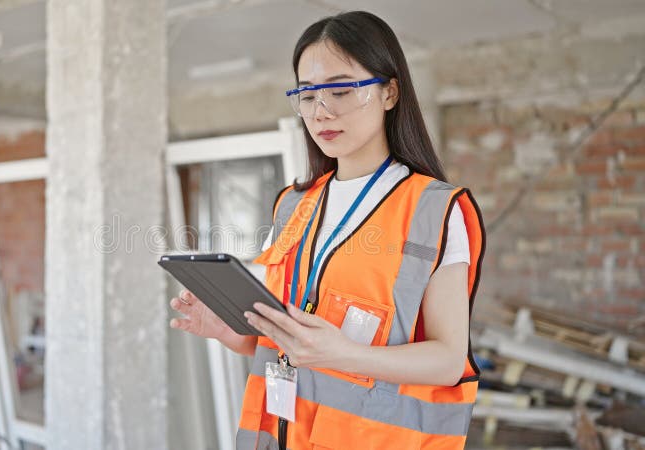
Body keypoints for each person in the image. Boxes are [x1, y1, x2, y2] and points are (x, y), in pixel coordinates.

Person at [169, 10, 485, 450]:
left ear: (389, 92)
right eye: (306, 95)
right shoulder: (292, 207)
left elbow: (448, 361)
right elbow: (287, 341)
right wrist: (234, 334)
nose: (320, 112)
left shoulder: (434, 210)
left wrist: (346, 355)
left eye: (339, 90)